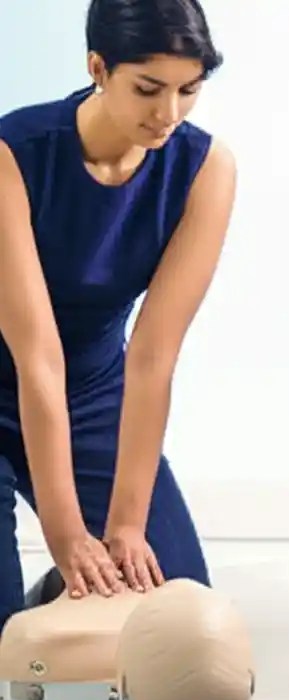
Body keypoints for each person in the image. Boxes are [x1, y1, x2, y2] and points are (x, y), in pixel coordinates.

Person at [0, 0, 234, 634]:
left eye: (189, 89)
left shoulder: (206, 169)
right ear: (98, 68)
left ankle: (60, 594)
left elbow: (153, 354)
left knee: (175, 614)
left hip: (95, 389)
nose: (169, 114)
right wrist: (67, 534)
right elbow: (36, 357)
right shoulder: (13, 154)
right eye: (149, 89)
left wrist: (125, 524)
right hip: (19, 374)